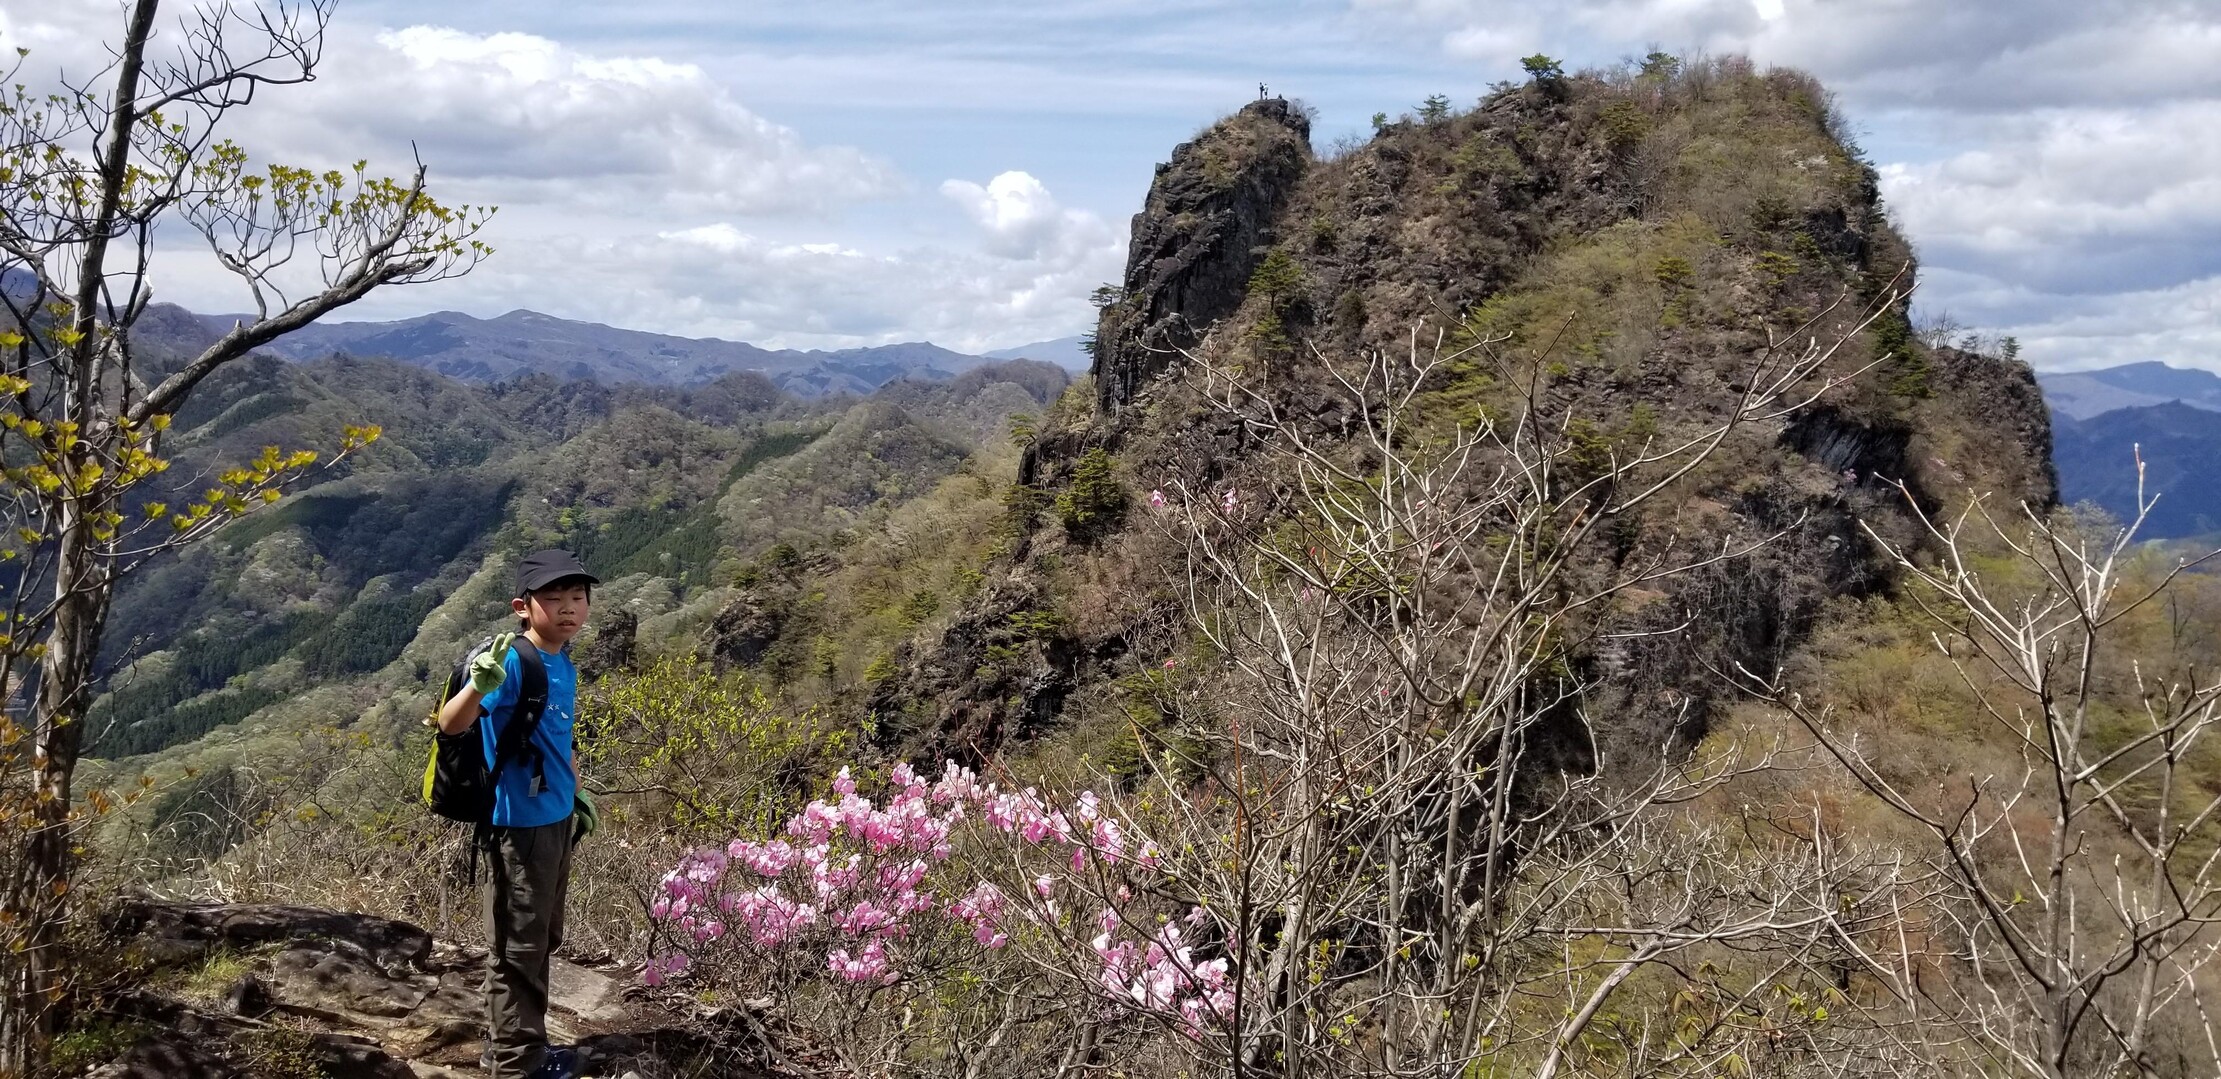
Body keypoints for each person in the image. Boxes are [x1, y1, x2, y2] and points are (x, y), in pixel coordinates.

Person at [435, 550, 601, 1079]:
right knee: (517, 949)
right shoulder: (512, 661)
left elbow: (558, 735)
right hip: (517, 829)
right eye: (553, 598)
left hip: (554, 820)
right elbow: (451, 724)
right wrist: (477, 687)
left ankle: (512, 1044)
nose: (568, 608)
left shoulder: (562, 660)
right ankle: (516, 1065)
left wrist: (575, 792)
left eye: (577, 597)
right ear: (522, 607)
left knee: (543, 937)